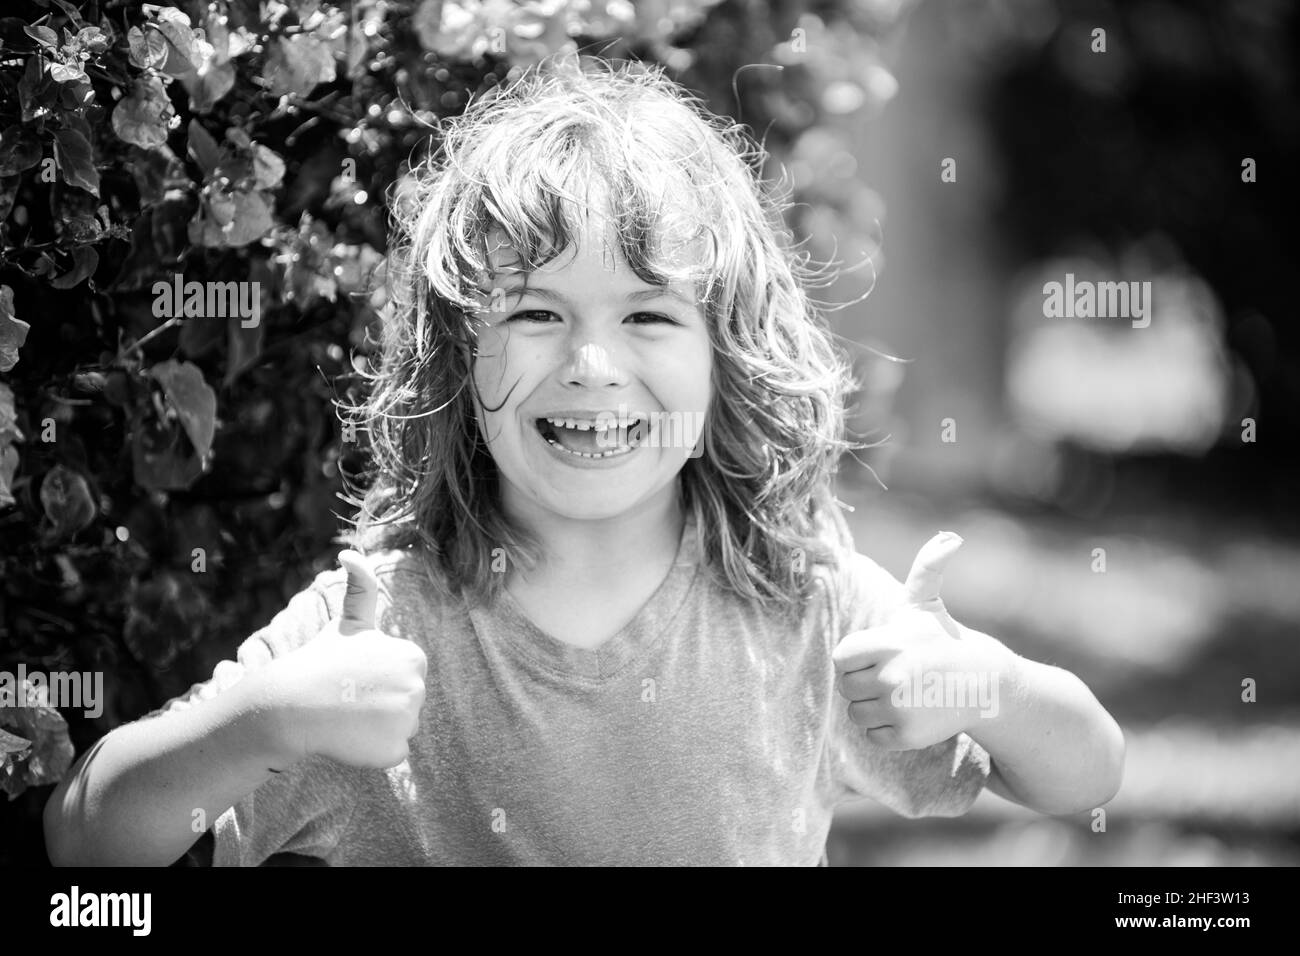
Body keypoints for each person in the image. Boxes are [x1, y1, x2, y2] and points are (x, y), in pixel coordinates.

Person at [44, 57, 1123, 866]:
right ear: (458, 359)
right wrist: (263, 723)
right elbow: (87, 845)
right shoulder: (381, 628)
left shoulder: (801, 602)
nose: (594, 364)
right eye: (535, 313)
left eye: (649, 314)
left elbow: (1087, 773)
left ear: (726, 360)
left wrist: (982, 683)